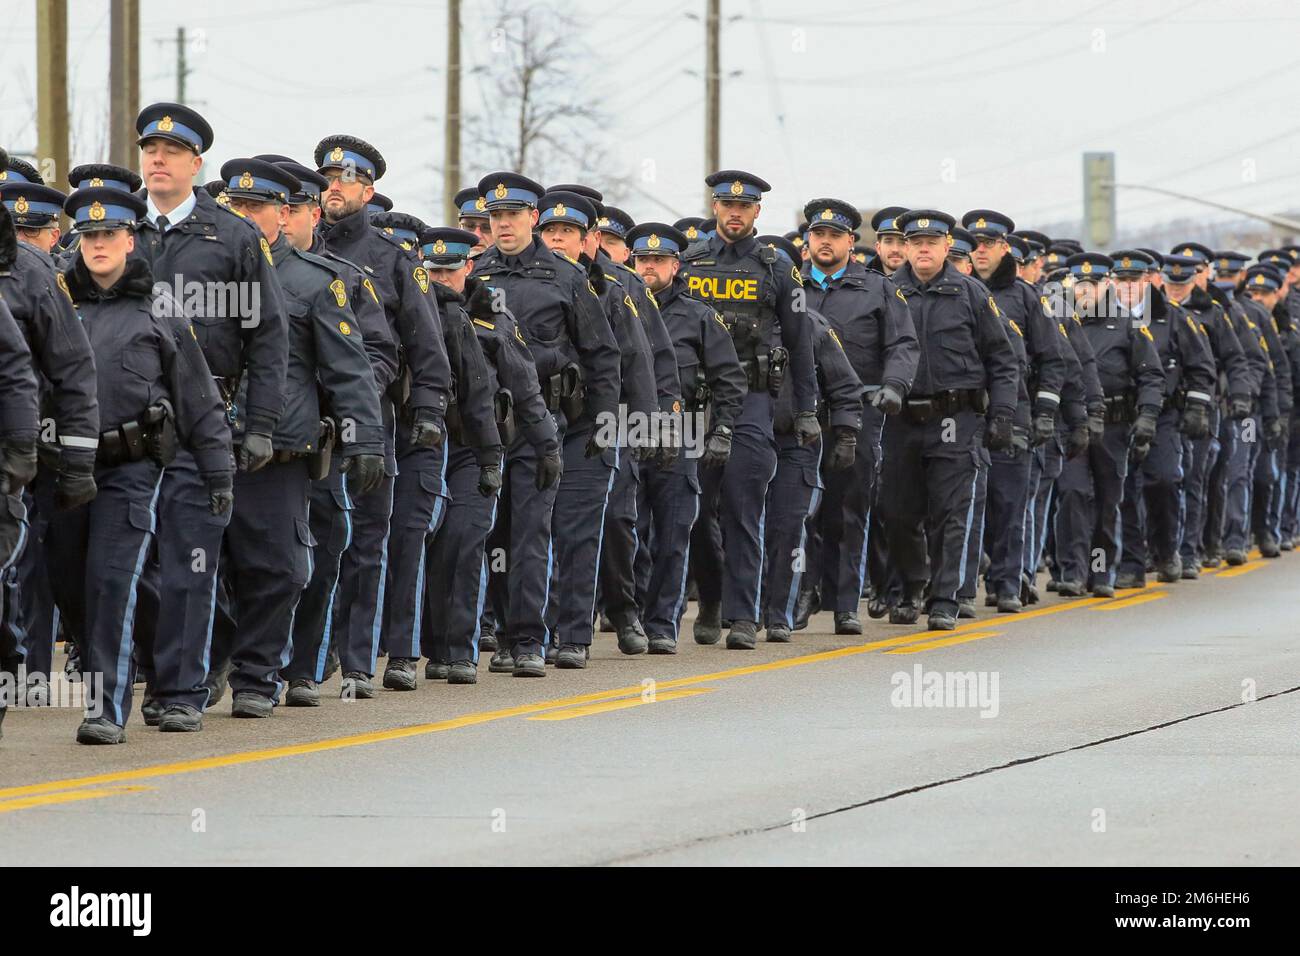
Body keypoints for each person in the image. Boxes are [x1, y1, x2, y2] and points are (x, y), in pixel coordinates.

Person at [126, 103, 290, 726]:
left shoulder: (233, 237)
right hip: (124, 426)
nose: (158, 160)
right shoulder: (115, 231)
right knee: (130, 565)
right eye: (149, 150)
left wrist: (260, 425)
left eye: (171, 152)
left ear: (196, 164)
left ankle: (179, 691)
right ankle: (154, 662)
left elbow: (267, 340)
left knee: (192, 562)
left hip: (202, 424)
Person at [49, 186, 232, 741]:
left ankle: (106, 710)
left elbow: (196, 394)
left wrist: (218, 469)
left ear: (131, 239)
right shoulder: (58, 305)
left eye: (109, 235)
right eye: (89, 236)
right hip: (62, 471)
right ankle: (145, 673)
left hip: (131, 469)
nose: (98, 244)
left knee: (113, 582)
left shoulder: (160, 309)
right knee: (71, 586)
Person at [313, 134, 452, 698]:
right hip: (312, 419)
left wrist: (428, 412)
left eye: (345, 180)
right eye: (327, 179)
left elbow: (426, 349)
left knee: (372, 540)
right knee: (320, 540)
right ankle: (310, 658)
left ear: (369, 190)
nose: (333, 189)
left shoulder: (395, 261)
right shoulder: (302, 249)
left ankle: (364, 660)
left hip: (374, 419)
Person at [472, 172, 619, 676]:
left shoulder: (566, 277)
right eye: (495, 217)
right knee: (496, 537)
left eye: (512, 215)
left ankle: (531, 639)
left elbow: (603, 356)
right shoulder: (477, 274)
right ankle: (506, 634)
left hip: (544, 426)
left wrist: (602, 427)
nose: (503, 225)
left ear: (533, 217)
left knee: (532, 534)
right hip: (490, 427)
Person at [679, 170, 818, 650]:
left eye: (744, 206)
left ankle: (742, 615)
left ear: (757, 212)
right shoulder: (688, 263)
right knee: (693, 510)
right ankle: (712, 598)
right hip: (697, 401)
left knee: (742, 508)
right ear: (715, 207)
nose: (734, 213)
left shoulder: (777, 268)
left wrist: (806, 410)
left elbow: (800, 347)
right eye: (726, 205)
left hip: (753, 401)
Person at [419, 226, 558, 681]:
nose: (441, 278)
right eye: (433, 270)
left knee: (465, 541)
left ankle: (462, 651)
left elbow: (525, 385)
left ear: (469, 268)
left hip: (474, 448)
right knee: (432, 550)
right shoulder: (407, 313)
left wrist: (546, 445)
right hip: (420, 446)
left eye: (450, 270)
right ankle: (434, 649)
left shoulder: (491, 319)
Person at [876, 209, 1017, 630]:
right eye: (914, 243)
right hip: (899, 420)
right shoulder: (885, 292)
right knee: (897, 512)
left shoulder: (971, 293)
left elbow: (1002, 359)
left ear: (945, 247)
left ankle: (944, 598)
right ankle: (911, 584)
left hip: (956, 420)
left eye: (931, 243)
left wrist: (1003, 413)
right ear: (904, 248)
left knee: (950, 513)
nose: (921, 249)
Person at [797, 198, 917, 634]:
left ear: (851, 242)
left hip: (860, 414)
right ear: (807, 240)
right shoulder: (791, 287)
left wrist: (894, 385)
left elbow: (903, 344)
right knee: (801, 507)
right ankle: (802, 593)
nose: (825, 242)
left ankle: (846, 602)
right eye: (818, 235)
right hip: (802, 414)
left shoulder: (878, 288)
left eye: (834, 236)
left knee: (849, 507)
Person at [627, 222, 745, 653]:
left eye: (658, 261)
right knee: (629, 531)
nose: (649, 268)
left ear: (676, 265)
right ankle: (633, 616)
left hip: (683, 432)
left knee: (675, 533)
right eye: (643, 260)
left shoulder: (699, 315)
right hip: (627, 429)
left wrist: (724, 429)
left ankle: (662, 624)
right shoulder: (619, 307)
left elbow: (729, 379)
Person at [1053, 253, 1163, 597]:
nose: (1087, 291)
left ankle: (1101, 572)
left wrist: (1147, 416)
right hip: (1071, 422)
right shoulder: (1057, 320)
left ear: (1107, 286)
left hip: (1114, 427)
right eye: (1081, 284)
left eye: (1095, 284)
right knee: (1072, 494)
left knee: (1106, 501)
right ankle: (1072, 571)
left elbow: (1151, 376)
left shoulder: (1127, 324)